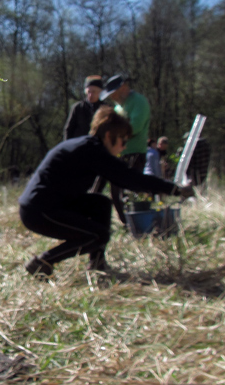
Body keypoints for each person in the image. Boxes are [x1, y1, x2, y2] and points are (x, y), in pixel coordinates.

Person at [19, 107, 193, 278]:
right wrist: (174, 189)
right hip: (39, 212)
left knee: (100, 204)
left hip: (47, 205)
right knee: (98, 235)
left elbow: (124, 178)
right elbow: (133, 180)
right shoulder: (93, 151)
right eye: (123, 141)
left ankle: (97, 263)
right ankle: (43, 262)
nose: (124, 147)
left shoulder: (88, 147)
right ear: (109, 135)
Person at [100, 74, 151, 224]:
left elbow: (134, 127)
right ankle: (125, 223)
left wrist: (114, 134)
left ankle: (139, 224)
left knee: (132, 192)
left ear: (123, 88)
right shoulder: (117, 107)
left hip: (135, 154)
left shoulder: (139, 102)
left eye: (113, 94)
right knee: (115, 192)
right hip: (118, 155)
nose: (112, 98)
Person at [63, 75, 104, 141]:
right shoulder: (78, 108)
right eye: (89, 92)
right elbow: (69, 129)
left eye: (93, 92)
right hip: (79, 145)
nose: (90, 95)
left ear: (99, 92)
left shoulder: (105, 108)